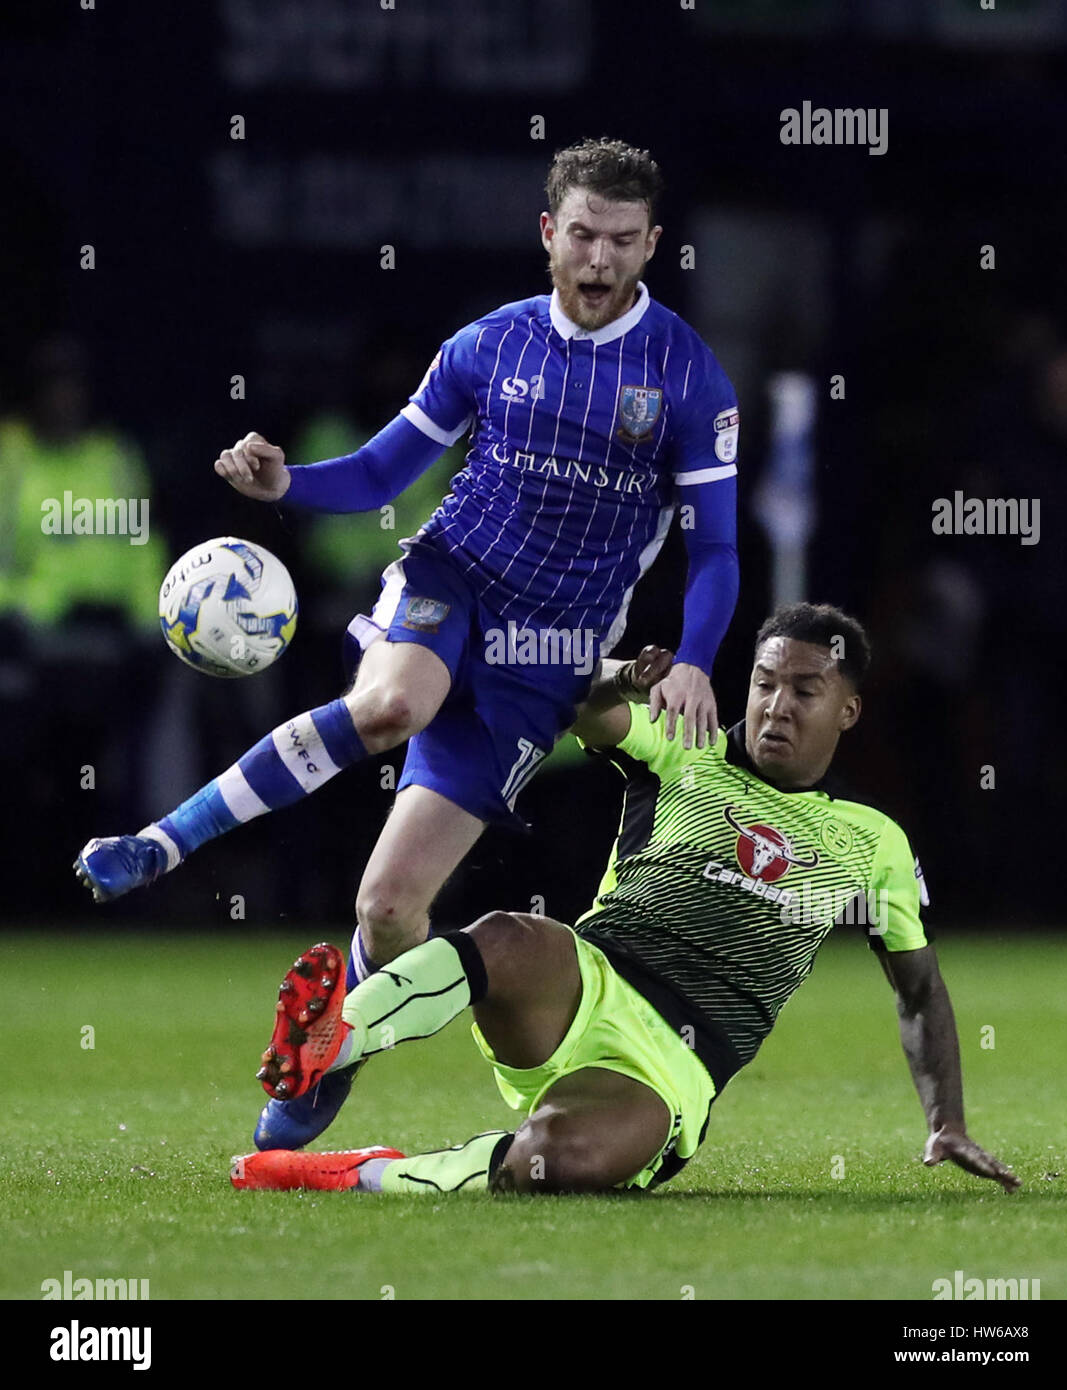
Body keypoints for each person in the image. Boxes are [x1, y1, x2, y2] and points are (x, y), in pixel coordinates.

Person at [75, 137, 741, 1146]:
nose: (597, 260)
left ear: (650, 243)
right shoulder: (487, 346)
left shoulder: (688, 378)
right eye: (580, 235)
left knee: (389, 912)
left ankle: (327, 1057)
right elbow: (385, 472)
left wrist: (692, 655)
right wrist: (285, 484)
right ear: (546, 232)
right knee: (390, 706)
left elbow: (720, 548)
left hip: (544, 656)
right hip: (451, 579)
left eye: (620, 240)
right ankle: (163, 842)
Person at [231, 604, 1019, 1197]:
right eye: (764, 683)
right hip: (583, 981)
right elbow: (575, 703)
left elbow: (918, 990)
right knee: (509, 934)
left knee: (555, 1162)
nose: (777, 705)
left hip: (670, 1065)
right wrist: (621, 675)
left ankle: (355, 1172)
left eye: (805, 691)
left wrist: (945, 1121)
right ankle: (335, 1041)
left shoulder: (871, 841)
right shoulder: (685, 744)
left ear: (847, 710)